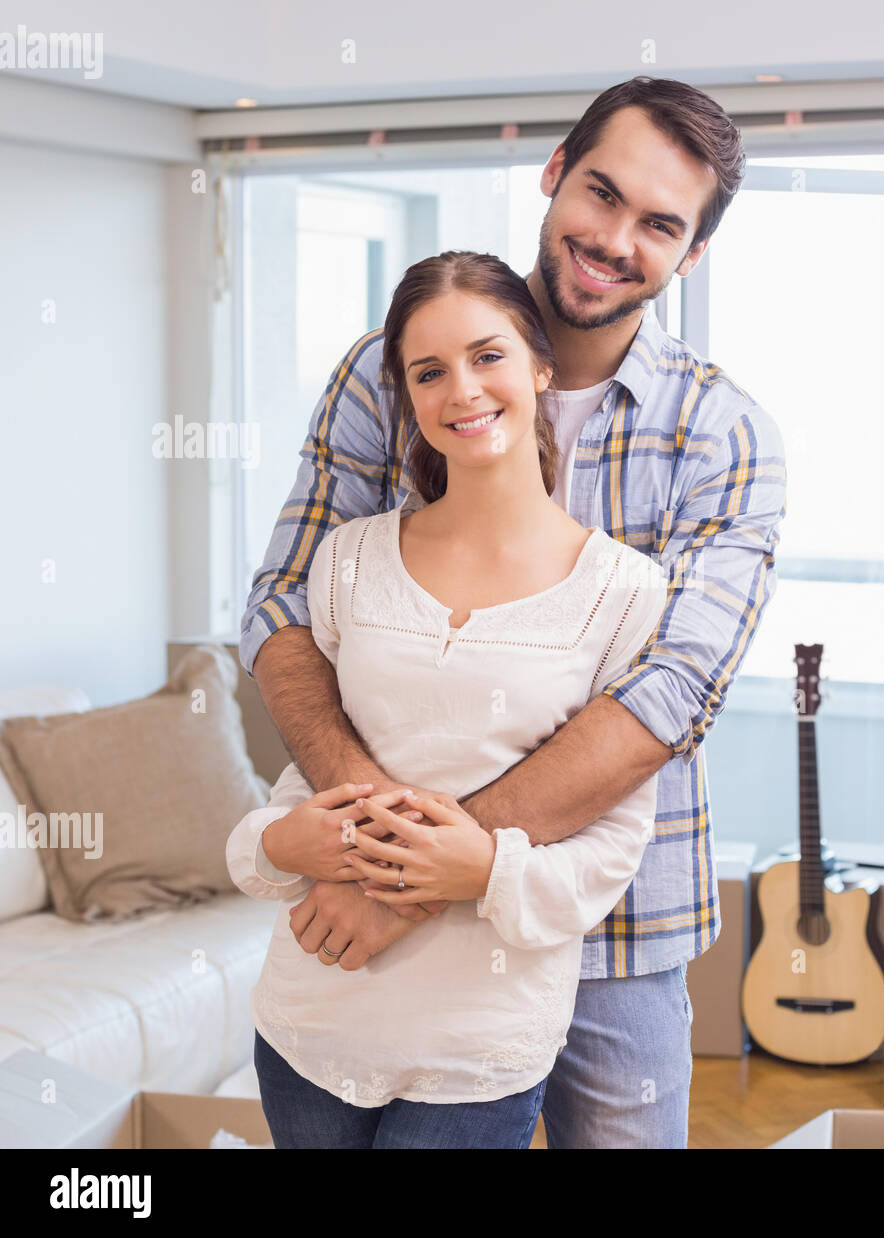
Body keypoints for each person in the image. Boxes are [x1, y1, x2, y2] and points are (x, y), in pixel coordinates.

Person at [239, 76, 787, 1149]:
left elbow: (669, 696)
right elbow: (284, 606)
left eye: (660, 224)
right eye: (600, 192)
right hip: (375, 914)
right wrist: (381, 851)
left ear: (692, 253)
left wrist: (436, 871)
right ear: (552, 175)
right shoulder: (389, 371)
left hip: (616, 925)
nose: (615, 238)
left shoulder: (726, 435)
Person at [228, 251, 670, 1148]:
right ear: (405, 399)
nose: (462, 390)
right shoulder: (348, 561)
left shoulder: (624, 591)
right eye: (428, 372)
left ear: (542, 364)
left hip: (483, 1044)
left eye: (487, 356)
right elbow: (299, 788)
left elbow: (612, 846)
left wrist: (485, 870)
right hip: (312, 1015)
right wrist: (279, 841)